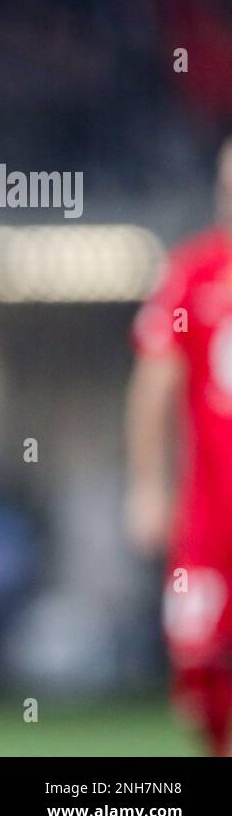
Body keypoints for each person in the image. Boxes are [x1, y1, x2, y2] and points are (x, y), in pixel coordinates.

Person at [126, 136, 232, 756]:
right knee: (198, 671)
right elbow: (154, 383)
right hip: (210, 515)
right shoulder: (193, 273)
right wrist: (147, 487)